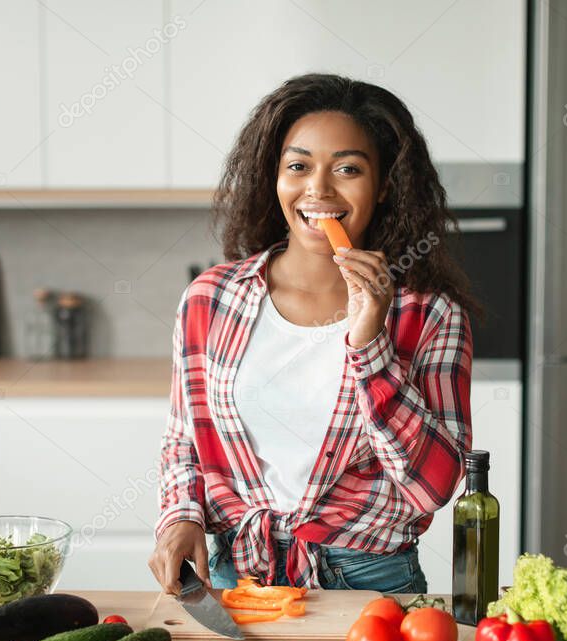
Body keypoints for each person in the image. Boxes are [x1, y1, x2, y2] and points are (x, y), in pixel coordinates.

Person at [148, 73, 479, 594]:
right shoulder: (210, 300)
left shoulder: (430, 315)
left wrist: (371, 346)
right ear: (274, 177)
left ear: (385, 185)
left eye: (348, 169)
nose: (318, 190)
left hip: (370, 581)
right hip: (237, 575)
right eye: (298, 166)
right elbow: (184, 439)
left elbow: (433, 486)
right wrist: (181, 516)